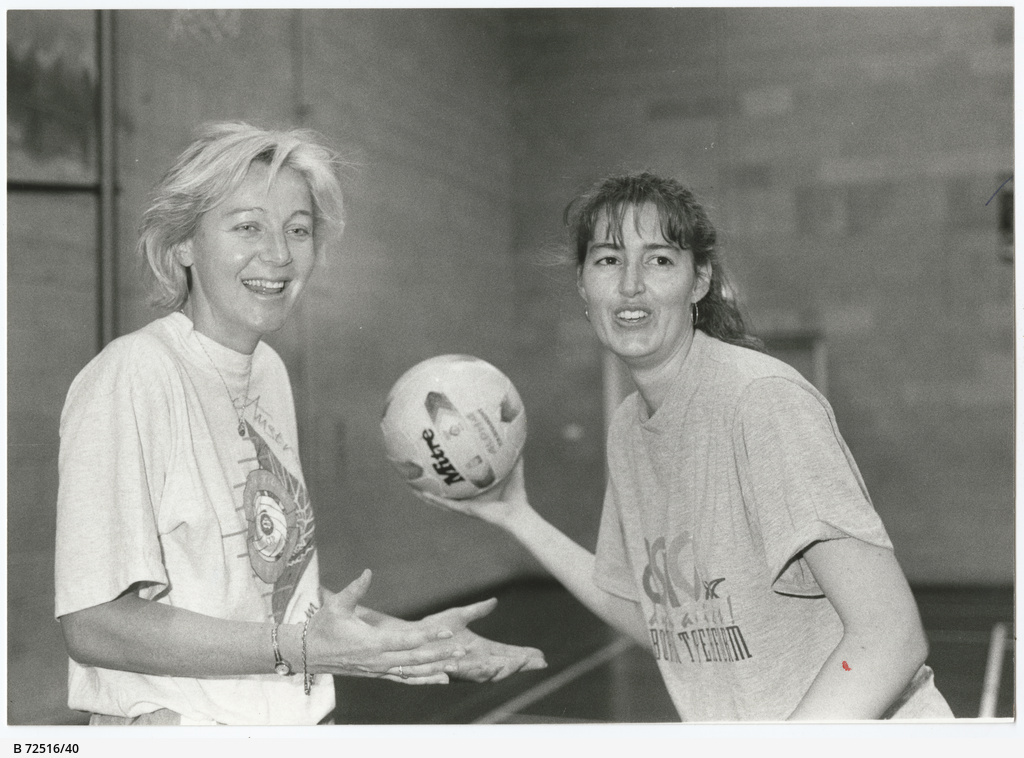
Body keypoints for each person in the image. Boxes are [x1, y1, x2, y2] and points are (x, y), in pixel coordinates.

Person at [54, 121, 545, 726]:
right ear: (182, 244)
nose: (279, 254)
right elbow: (94, 624)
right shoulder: (133, 376)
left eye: (298, 230)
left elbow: (267, 599)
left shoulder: (268, 372)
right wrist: (306, 652)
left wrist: (413, 643)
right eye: (247, 226)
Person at [422, 172, 954, 721]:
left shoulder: (761, 401)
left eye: (658, 260)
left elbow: (890, 639)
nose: (630, 284)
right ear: (583, 285)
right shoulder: (630, 428)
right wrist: (516, 515)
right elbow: (668, 625)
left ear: (698, 280)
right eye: (608, 260)